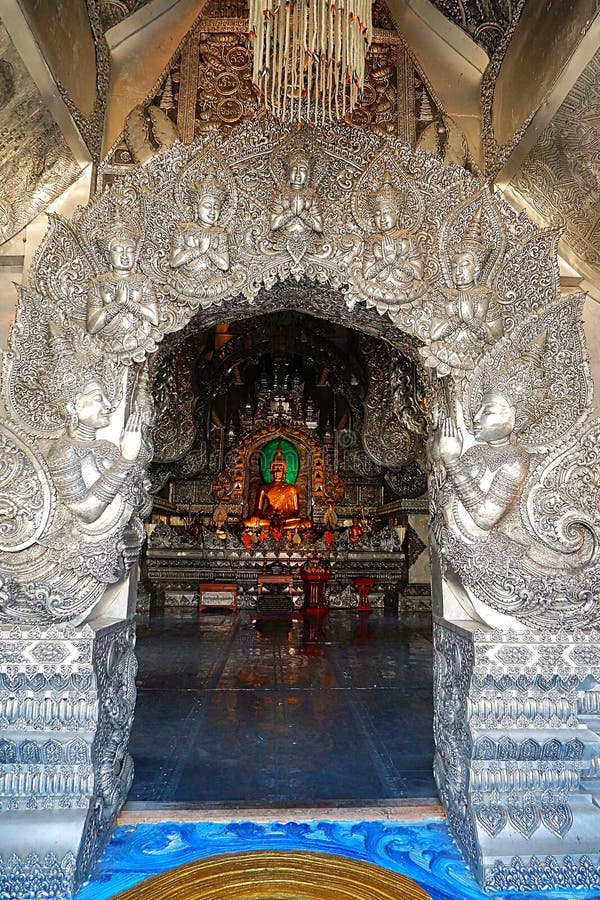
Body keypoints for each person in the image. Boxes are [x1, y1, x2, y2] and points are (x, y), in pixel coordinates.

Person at [433, 335, 547, 543]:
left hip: (486, 553)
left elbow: (486, 518)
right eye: (479, 409)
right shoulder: (475, 451)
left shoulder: (516, 459)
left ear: (517, 417)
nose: (476, 417)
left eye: (488, 411)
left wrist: (451, 460)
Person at [421, 208, 503, 377]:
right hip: (445, 353)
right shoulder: (444, 294)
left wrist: (471, 321)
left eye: (464, 265)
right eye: (454, 266)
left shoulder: (486, 296)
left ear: (477, 269)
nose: (458, 272)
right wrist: (458, 318)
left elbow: (498, 339)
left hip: (477, 359)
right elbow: (434, 334)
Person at [87, 219, 159, 356]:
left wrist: (128, 303)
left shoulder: (143, 282)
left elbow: (154, 318)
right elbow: (92, 326)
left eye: (130, 251)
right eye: (119, 251)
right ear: (108, 256)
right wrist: (116, 304)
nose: (125, 256)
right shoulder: (98, 283)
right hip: (107, 344)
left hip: (139, 339)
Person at [362, 173, 423, 293]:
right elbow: (366, 274)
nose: (382, 219)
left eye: (387, 213)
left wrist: (395, 260)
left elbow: (419, 274)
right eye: (378, 214)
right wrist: (385, 261)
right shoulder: (372, 241)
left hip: (405, 292)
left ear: (398, 214)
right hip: (377, 291)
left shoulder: (408, 239)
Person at [170, 166, 230, 275]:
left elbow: (225, 265)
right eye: (207, 206)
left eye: (216, 207)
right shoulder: (183, 229)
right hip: (185, 281)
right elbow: (174, 262)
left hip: (215, 283)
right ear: (195, 207)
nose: (212, 211)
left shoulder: (220, 233)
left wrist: (208, 250)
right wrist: (200, 250)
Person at [244, 444, 310, 531]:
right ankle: (278, 528)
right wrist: (255, 515)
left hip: (285, 520)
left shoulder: (291, 489)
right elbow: (258, 508)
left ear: (284, 472)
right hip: (268, 519)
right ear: (271, 471)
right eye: (275, 468)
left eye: (280, 469)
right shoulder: (264, 488)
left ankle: (276, 528)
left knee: (307, 523)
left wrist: (284, 516)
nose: (278, 471)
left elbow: (296, 510)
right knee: (247, 523)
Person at [270, 149, 323, 235]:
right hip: (283, 238)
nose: (298, 174)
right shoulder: (282, 195)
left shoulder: (312, 196)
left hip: (308, 240)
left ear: (308, 174)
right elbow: (273, 225)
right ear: (288, 173)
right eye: (294, 169)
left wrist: (302, 213)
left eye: (302, 170)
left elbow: (319, 227)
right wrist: (291, 212)